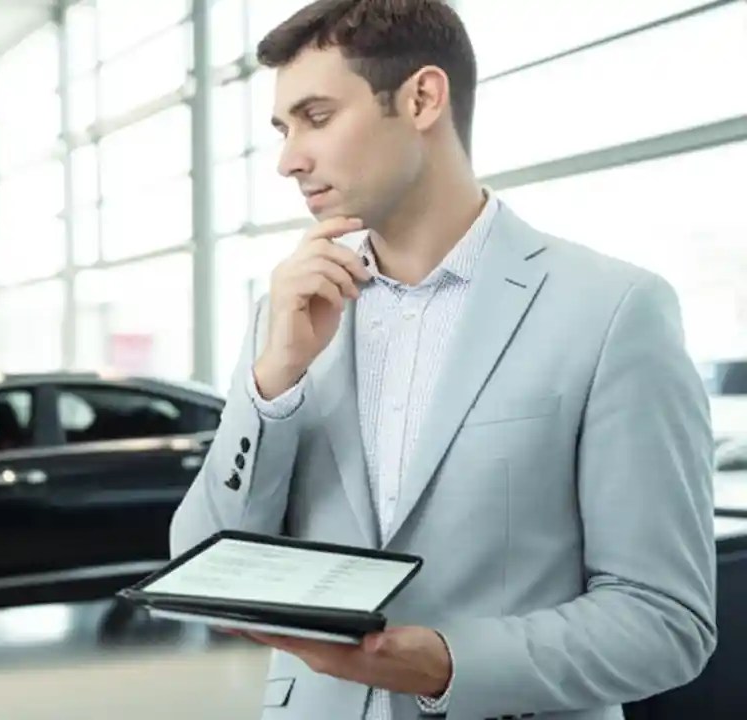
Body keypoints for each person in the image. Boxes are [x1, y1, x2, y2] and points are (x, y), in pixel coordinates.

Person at [168, 1, 717, 718]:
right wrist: (274, 383)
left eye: (317, 116)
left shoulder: (613, 310)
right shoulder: (292, 315)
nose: (288, 158)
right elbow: (203, 569)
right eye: (283, 127)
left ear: (422, 98)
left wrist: (448, 664)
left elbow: (664, 620)